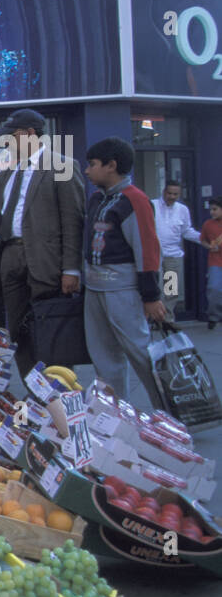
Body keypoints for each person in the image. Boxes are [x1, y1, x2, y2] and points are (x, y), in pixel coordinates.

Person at [0, 109, 86, 375]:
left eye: (10, 137)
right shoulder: (7, 174)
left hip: (47, 263)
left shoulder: (61, 166)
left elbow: (73, 221)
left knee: (50, 332)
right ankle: (34, 393)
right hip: (10, 258)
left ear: (30, 134)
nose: (6, 143)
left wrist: (72, 269)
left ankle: (58, 393)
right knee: (18, 332)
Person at [81, 137, 165, 409]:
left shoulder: (136, 200)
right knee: (104, 358)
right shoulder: (96, 199)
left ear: (111, 166)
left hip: (123, 290)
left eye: (92, 164)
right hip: (94, 290)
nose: (87, 170)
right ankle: (115, 415)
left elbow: (148, 251)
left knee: (142, 354)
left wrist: (151, 296)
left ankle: (170, 415)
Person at [151, 180, 205, 318]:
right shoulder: (152, 205)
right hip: (153, 254)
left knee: (171, 290)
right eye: (169, 193)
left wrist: (204, 239)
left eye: (175, 194)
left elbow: (186, 231)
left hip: (172, 256)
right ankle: (151, 319)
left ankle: (166, 320)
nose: (172, 196)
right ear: (164, 192)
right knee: (153, 288)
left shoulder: (182, 210)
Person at [202, 198, 222, 329]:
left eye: (215, 209)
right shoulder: (207, 224)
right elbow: (202, 240)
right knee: (214, 289)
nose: (212, 212)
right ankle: (214, 316)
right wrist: (209, 246)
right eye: (211, 209)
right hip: (215, 261)